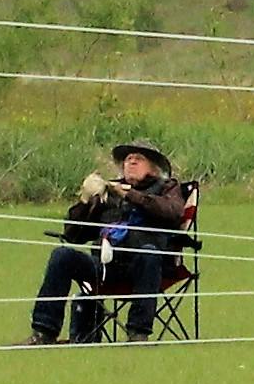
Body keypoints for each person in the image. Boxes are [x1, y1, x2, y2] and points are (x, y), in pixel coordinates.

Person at [26, 141, 204, 345]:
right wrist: (85, 200)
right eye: (128, 159)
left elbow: (173, 212)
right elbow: (73, 234)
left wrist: (130, 194)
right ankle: (43, 332)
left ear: (154, 168)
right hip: (105, 267)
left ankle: (138, 334)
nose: (131, 162)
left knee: (149, 253)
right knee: (62, 256)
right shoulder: (108, 193)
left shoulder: (167, 189)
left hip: (147, 267)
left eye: (139, 158)